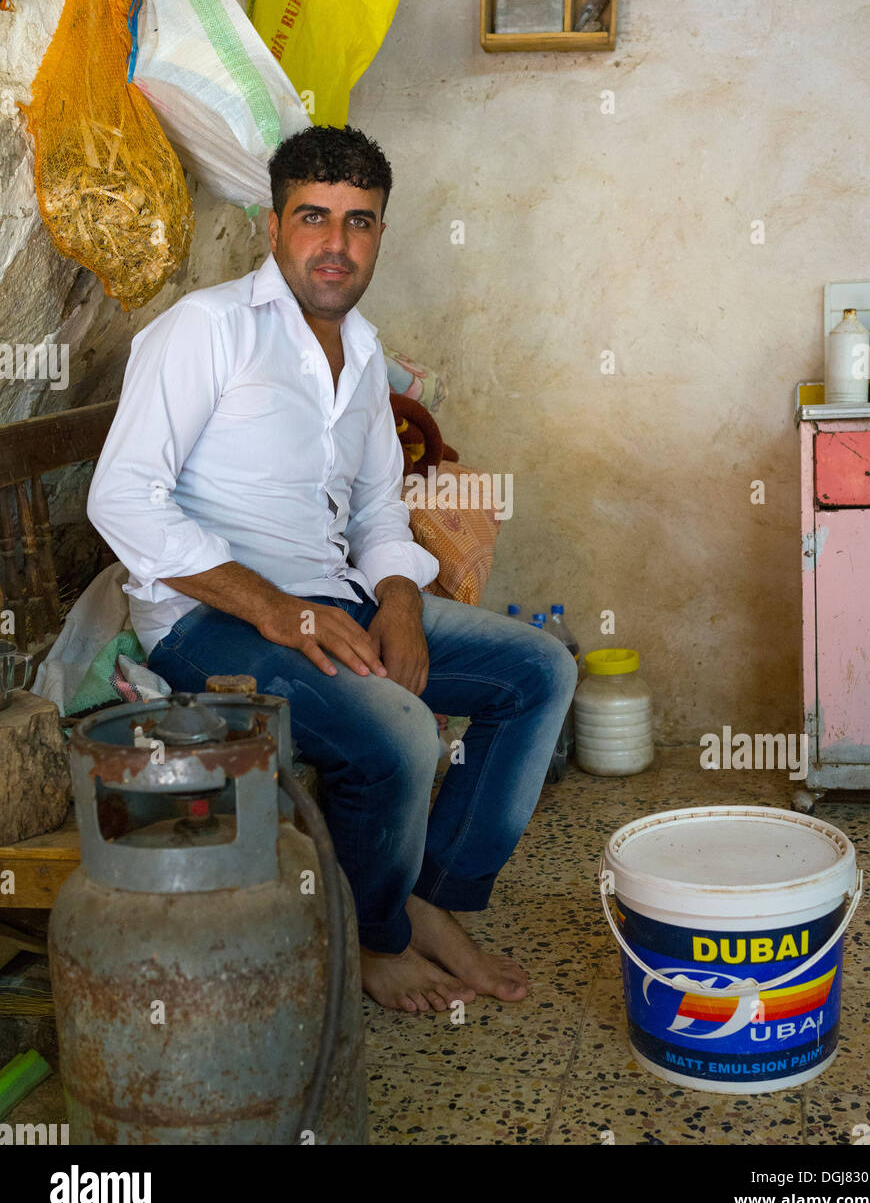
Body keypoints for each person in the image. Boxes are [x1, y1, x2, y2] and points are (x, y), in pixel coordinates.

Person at [87, 124, 578, 1013]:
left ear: (381, 236)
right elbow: (123, 499)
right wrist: (277, 609)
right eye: (314, 217)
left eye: (360, 222)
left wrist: (396, 594)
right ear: (272, 228)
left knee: (539, 669)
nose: (336, 243)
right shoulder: (206, 330)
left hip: (333, 601)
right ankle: (370, 937)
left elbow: (378, 509)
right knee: (399, 735)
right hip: (207, 623)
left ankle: (429, 897)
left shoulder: (363, 355)